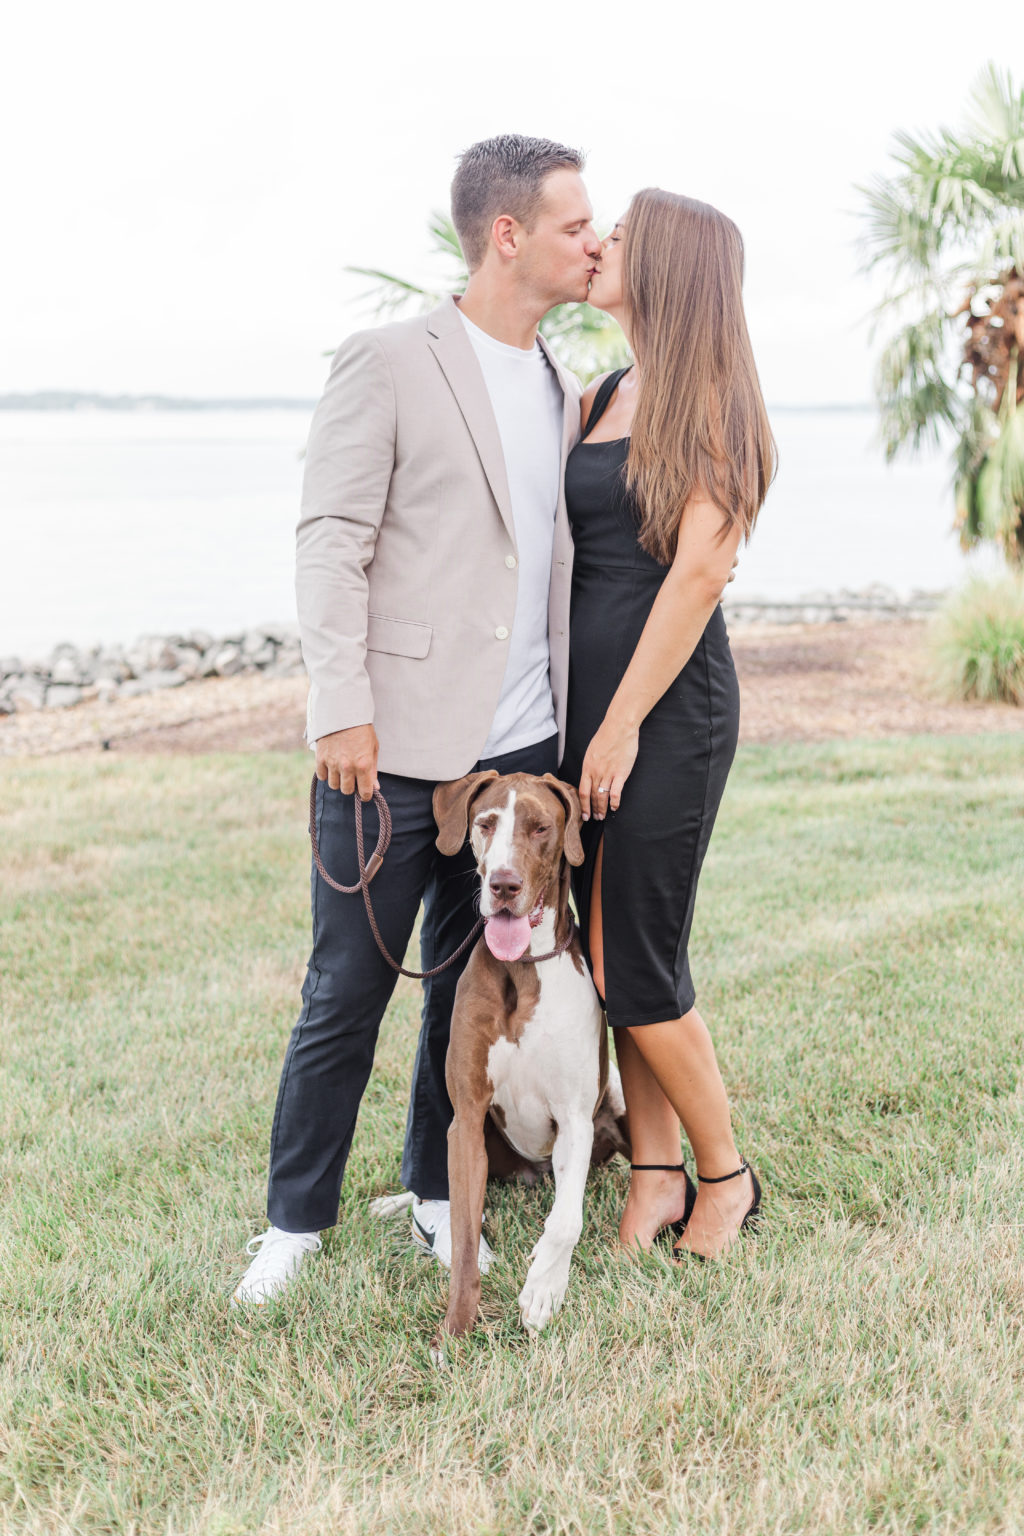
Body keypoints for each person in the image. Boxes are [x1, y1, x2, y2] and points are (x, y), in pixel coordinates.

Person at [233, 135, 602, 1305]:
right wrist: (341, 707)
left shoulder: (563, 384)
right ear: (508, 235)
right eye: (573, 224)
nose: (593, 242)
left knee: (467, 989)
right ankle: (295, 1222)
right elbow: (330, 541)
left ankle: (438, 1194)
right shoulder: (390, 359)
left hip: (521, 755)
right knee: (347, 984)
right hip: (389, 751)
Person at [559, 189, 776, 1260]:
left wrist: (621, 725)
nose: (596, 247)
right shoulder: (602, 389)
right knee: (614, 965)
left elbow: (698, 574)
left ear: (672, 269)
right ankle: (651, 1179)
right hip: (589, 717)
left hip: (664, 715)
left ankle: (725, 1178)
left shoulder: (717, 400)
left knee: (635, 962)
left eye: (620, 239)